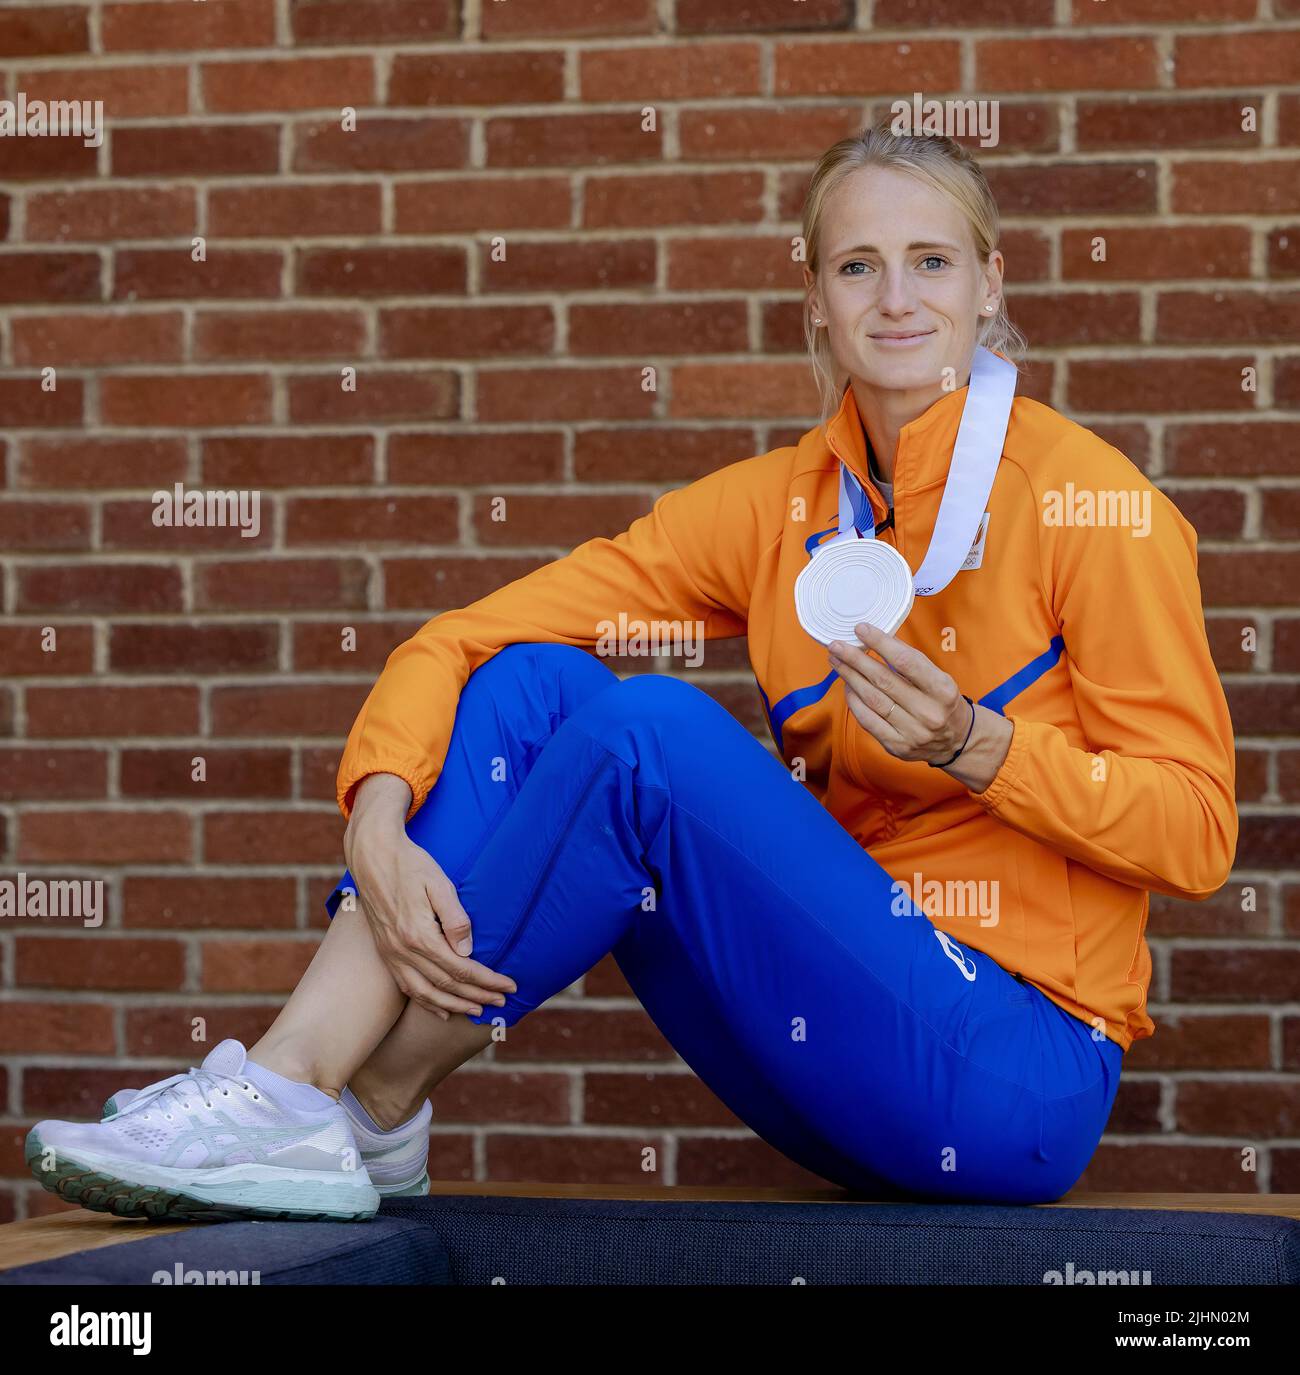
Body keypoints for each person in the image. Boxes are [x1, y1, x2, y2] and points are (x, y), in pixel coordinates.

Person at [26, 121, 1237, 1222]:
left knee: (650, 731)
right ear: (813, 296)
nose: (896, 296)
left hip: (1010, 1075)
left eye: (932, 261)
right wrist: (379, 809)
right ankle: (311, 1087)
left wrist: (979, 745)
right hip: (837, 1053)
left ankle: (360, 1098)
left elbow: (1196, 834)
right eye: (858, 265)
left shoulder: (1095, 508)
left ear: (988, 286)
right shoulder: (780, 506)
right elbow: (470, 634)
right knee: (536, 683)